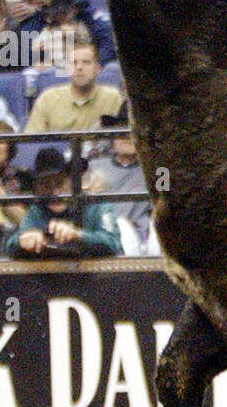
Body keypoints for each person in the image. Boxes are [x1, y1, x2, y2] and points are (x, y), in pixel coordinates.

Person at [10, 146, 122, 257]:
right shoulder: (37, 210)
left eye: (59, 183)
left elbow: (114, 243)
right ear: (36, 190)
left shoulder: (96, 205)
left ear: (72, 182)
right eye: (46, 185)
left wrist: (78, 235)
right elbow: (11, 245)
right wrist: (24, 240)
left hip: (97, 273)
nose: (55, 192)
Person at [88, 100, 152, 252]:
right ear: (112, 136)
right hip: (105, 234)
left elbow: (165, 202)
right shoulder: (94, 166)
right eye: (121, 129)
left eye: (132, 129)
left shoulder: (159, 169)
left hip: (143, 236)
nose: (126, 136)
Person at [25, 39, 124, 133]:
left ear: (98, 68)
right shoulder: (47, 99)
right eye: (74, 63)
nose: (79, 67)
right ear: (67, 68)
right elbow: (31, 141)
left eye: (86, 62)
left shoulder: (113, 98)